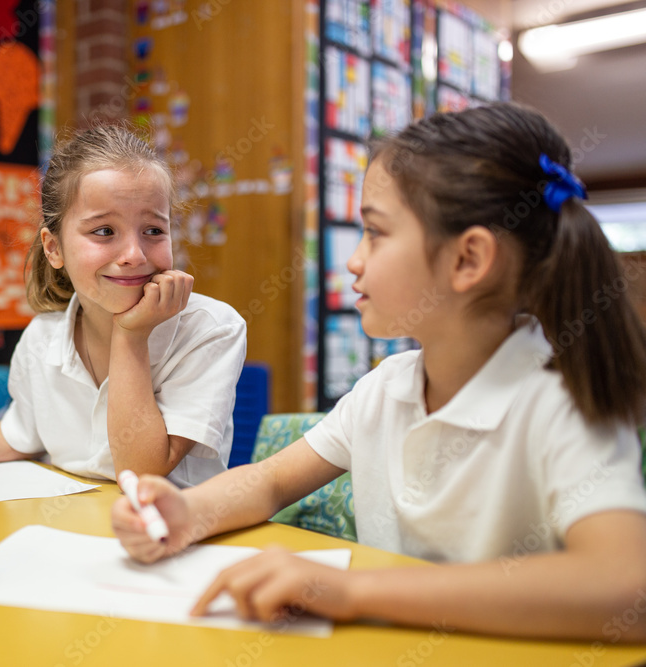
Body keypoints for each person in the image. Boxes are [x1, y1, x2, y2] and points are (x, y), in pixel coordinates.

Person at [111, 103, 646, 641]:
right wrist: (185, 512)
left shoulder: (560, 404)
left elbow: (627, 587)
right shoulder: (387, 387)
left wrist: (351, 591)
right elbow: (269, 481)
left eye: (375, 232)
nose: (354, 260)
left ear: (468, 260)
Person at [0, 124, 246, 487]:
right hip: (72, 528)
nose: (134, 255)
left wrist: (131, 334)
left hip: (168, 535)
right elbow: (21, 434)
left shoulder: (211, 328)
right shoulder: (42, 337)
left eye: (153, 230)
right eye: (104, 231)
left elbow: (141, 473)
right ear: (54, 248)